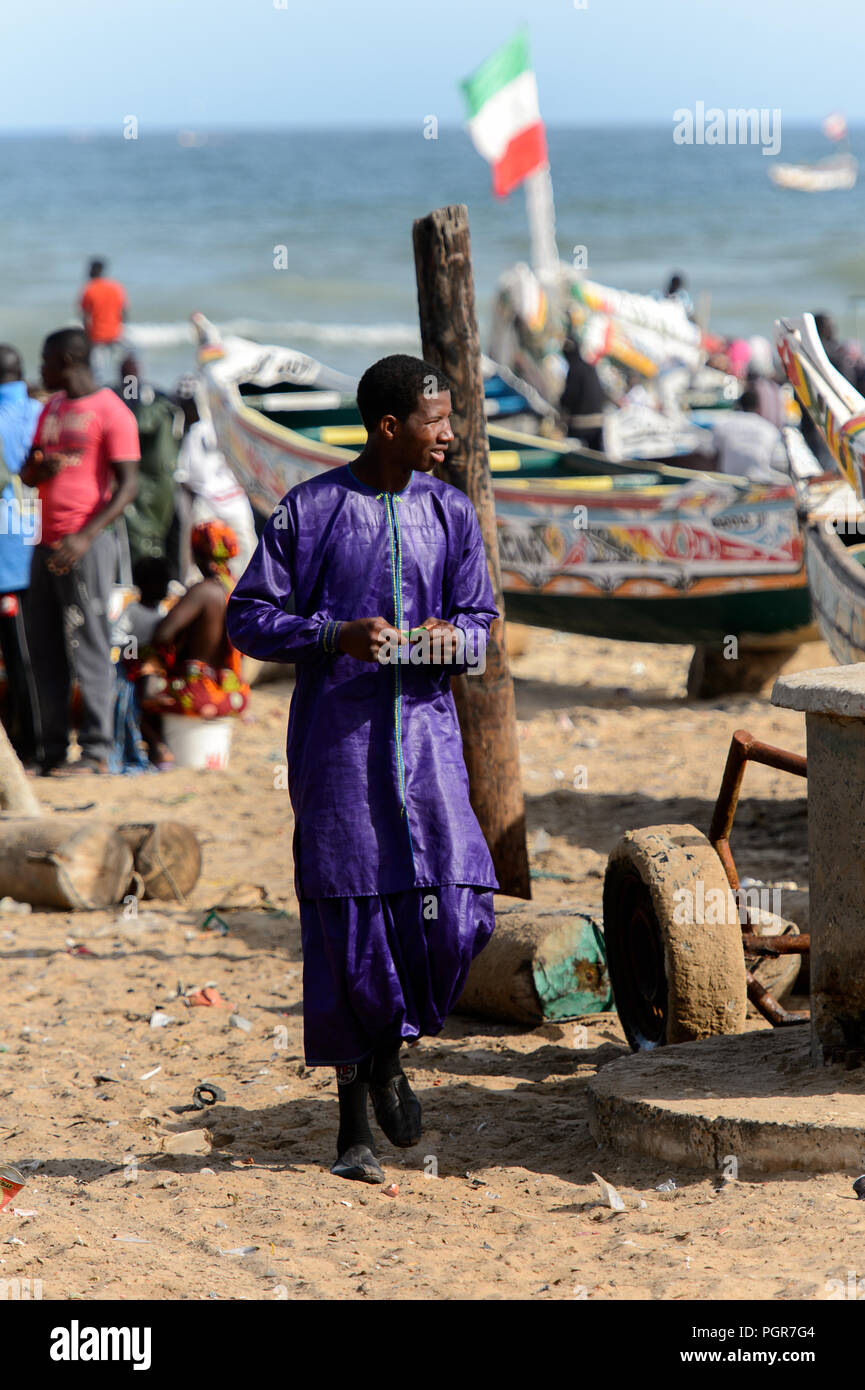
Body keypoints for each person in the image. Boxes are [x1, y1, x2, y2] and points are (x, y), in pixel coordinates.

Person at [226, 354, 498, 1185]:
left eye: (450, 419)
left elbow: (483, 625)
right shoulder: (309, 511)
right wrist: (332, 635)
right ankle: (352, 1134)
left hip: (426, 747)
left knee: (456, 912)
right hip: (336, 750)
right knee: (348, 927)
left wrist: (456, 641)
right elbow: (248, 616)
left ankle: (389, 1052)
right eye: (434, 421)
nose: (449, 434)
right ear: (389, 428)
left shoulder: (450, 515)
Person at [21, 328, 139, 775]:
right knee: (43, 645)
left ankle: (95, 751)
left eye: (46, 360)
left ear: (70, 359)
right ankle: (51, 750)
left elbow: (127, 488)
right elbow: (31, 474)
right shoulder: (50, 408)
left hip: (85, 543)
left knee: (88, 642)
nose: (41, 369)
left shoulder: (112, 411)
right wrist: (38, 468)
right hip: (46, 540)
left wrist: (84, 537)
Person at [138, 520, 249, 723]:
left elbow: (162, 635)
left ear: (197, 554)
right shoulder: (236, 590)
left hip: (197, 692)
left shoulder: (203, 590)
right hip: (233, 693)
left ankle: (155, 746)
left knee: (135, 672)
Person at [0, 346, 43, 764]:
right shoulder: (42, 412)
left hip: (4, 552)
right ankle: (35, 747)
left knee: (13, 658)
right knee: (31, 654)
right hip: (38, 541)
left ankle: (20, 749)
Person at [174, 382, 257, 581]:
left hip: (236, 500)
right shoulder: (197, 432)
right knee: (199, 552)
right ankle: (197, 591)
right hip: (207, 500)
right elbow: (185, 476)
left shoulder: (236, 426)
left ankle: (240, 594)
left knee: (248, 549)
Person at [115, 354, 184, 568]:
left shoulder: (152, 397)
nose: (131, 375)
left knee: (156, 533)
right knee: (144, 534)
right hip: (143, 476)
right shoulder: (120, 395)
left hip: (156, 478)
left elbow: (143, 425)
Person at [711, 388, 789, 484]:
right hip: (760, 482)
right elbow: (779, 460)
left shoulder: (723, 424)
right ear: (757, 407)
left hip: (729, 481)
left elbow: (712, 452)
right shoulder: (768, 428)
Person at [79, 259, 128, 386]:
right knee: (122, 368)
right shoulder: (115, 287)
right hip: (116, 333)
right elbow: (124, 311)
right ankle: (128, 394)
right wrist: (121, 328)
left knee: (98, 373)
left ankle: (100, 395)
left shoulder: (89, 289)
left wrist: (86, 336)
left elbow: (85, 316)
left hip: (97, 335)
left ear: (92, 270)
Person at [560, 337, 606, 450]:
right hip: (599, 424)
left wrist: (561, 404)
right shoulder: (590, 368)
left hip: (581, 426)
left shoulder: (574, 369)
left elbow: (570, 397)